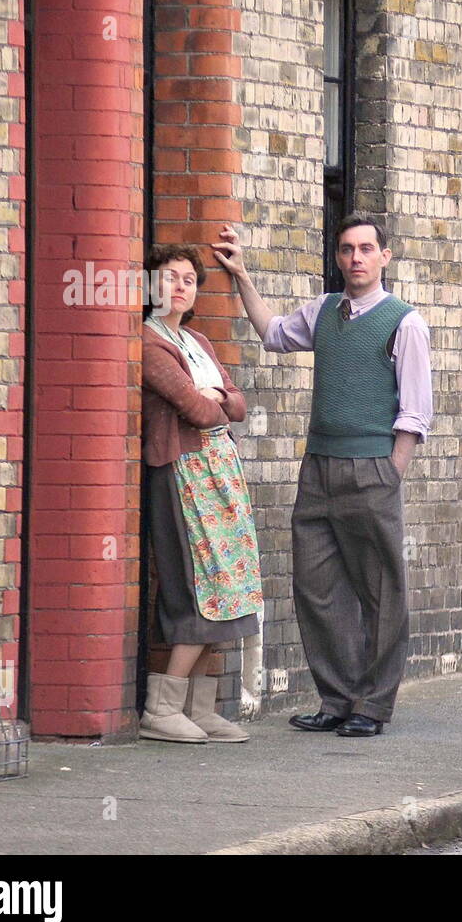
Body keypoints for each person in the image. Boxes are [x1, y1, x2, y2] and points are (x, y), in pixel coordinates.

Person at [212, 215, 432, 737]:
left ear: (384, 257)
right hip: (318, 468)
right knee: (316, 588)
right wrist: (242, 275)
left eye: (366, 249)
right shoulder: (325, 311)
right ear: (337, 257)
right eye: (346, 249)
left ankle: (372, 707)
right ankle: (336, 699)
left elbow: (416, 413)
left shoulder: (405, 322)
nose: (356, 258)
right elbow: (272, 333)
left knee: (381, 592)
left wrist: (389, 475)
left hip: (371, 469)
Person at [140, 243, 263, 744]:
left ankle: (201, 704)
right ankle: (160, 708)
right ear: (149, 285)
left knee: (229, 587)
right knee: (197, 584)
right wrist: (215, 400)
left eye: (189, 279)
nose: (181, 286)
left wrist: (219, 400)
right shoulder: (149, 342)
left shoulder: (197, 341)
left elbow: (237, 402)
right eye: (170, 277)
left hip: (221, 475)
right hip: (182, 471)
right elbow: (196, 408)